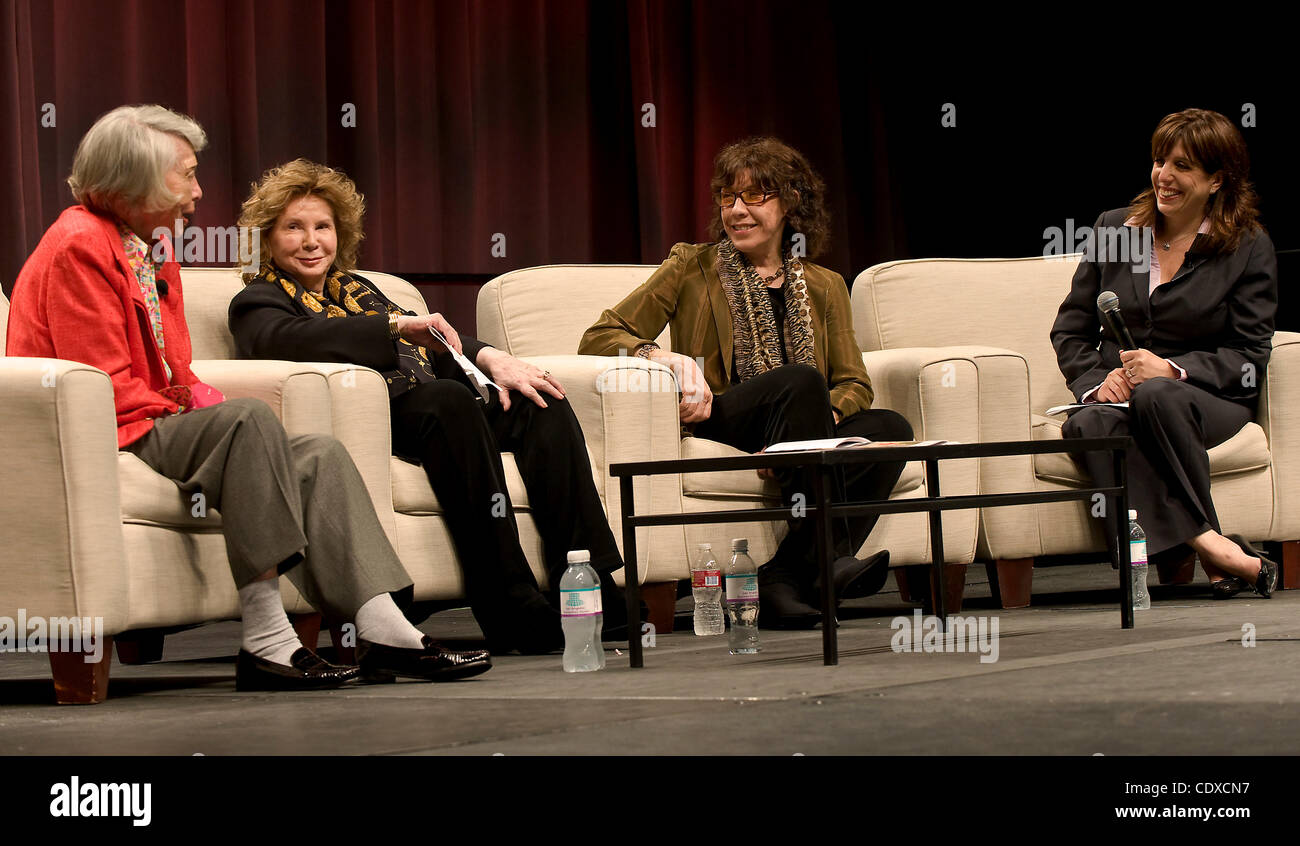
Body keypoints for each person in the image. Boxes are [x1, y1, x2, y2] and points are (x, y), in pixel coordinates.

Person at [6, 105, 491, 690]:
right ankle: (266, 640)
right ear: (135, 178)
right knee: (246, 421)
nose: (198, 190)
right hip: (102, 429)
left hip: (144, 416)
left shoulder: (151, 250)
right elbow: (107, 386)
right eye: (185, 174)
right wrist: (207, 413)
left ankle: (383, 630)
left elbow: (176, 368)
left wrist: (201, 403)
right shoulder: (78, 246)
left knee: (318, 455)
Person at [227, 159, 631, 653]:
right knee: (446, 398)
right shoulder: (258, 300)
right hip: (374, 419)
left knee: (538, 398)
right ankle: (511, 605)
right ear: (267, 238)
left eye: (323, 227)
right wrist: (396, 328)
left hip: (440, 411)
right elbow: (287, 339)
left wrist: (490, 356)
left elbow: (436, 338)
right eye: (293, 227)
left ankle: (592, 587)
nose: (312, 241)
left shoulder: (359, 290)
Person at [579, 136, 912, 627]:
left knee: (891, 427)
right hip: (722, 415)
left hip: (800, 416)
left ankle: (784, 578)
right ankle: (827, 562)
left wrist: (821, 423)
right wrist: (664, 358)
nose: (737, 210)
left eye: (755, 196)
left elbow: (853, 382)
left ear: (791, 201)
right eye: (727, 197)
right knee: (798, 381)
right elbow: (601, 336)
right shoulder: (692, 266)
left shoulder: (824, 285)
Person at [1051, 108, 1279, 599]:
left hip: (1207, 398)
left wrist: (1174, 369)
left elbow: (1249, 353)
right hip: (1122, 395)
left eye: (1182, 167)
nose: (1164, 176)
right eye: (1159, 161)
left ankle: (1185, 549)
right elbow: (1070, 330)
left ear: (1216, 180)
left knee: (1158, 394)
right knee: (1090, 425)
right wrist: (1097, 382)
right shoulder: (1116, 230)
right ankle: (1213, 546)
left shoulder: (1246, 245)